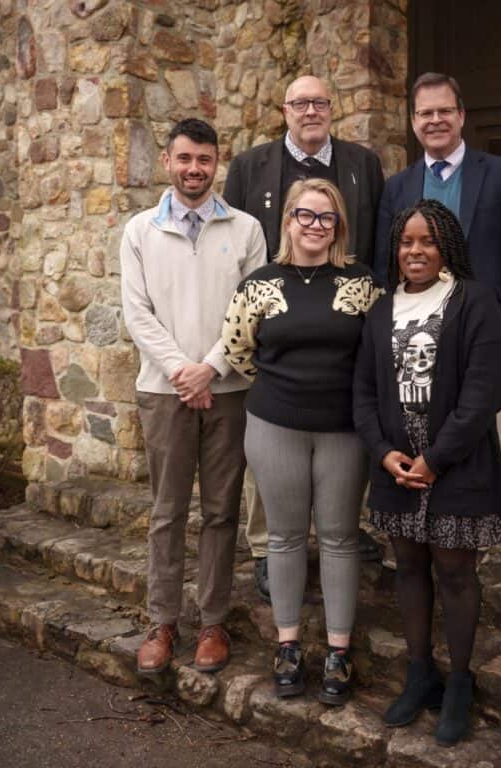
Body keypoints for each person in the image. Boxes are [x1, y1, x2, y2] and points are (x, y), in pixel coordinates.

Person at [354, 200, 501, 745]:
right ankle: (420, 674)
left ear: (447, 248)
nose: (415, 251)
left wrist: (436, 458)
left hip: (457, 460)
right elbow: (363, 392)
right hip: (398, 465)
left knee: (456, 571)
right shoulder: (381, 311)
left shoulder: (474, 301)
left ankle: (460, 683)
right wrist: (383, 452)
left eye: (427, 241)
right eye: (406, 242)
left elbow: (485, 392)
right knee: (409, 566)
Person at [224, 74, 386, 600]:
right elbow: (236, 249)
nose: (310, 111)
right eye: (300, 103)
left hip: (342, 320)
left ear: (331, 108)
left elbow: (376, 243)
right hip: (276, 325)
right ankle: (265, 547)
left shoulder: (363, 164)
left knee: (346, 447)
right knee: (273, 439)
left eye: (319, 102)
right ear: (285, 110)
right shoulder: (249, 166)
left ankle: (343, 530)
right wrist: (269, 365)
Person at [222, 178, 383, 705]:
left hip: (344, 430)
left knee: (339, 537)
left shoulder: (362, 283)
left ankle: (338, 652)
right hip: (275, 426)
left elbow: (378, 353)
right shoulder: (259, 284)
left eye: (326, 217)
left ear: (338, 227)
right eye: (305, 215)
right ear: (288, 220)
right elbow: (237, 348)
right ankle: (287, 645)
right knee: (286, 537)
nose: (315, 225)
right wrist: (282, 388)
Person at [120, 118, 266, 676]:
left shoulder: (246, 229)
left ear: (216, 163)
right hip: (164, 391)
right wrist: (184, 371)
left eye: (204, 159)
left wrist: (211, 368)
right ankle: (162, 622)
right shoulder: (140, 231)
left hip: (229, 390)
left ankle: (212, 622)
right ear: (167, 161)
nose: (194, 169)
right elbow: (138, 314)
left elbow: (253, 310)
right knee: (167, 511)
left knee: (222, 511)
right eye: (184, 158)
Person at [374, 72, 501, 450]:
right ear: (413, 121)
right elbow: (386, 261)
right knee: (419, 425)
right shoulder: (397, 186)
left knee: (484, 429)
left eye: (444, 111)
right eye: (425, 113)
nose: (435, 120)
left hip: (483, 324)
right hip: (415, 329)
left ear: (461, 115)